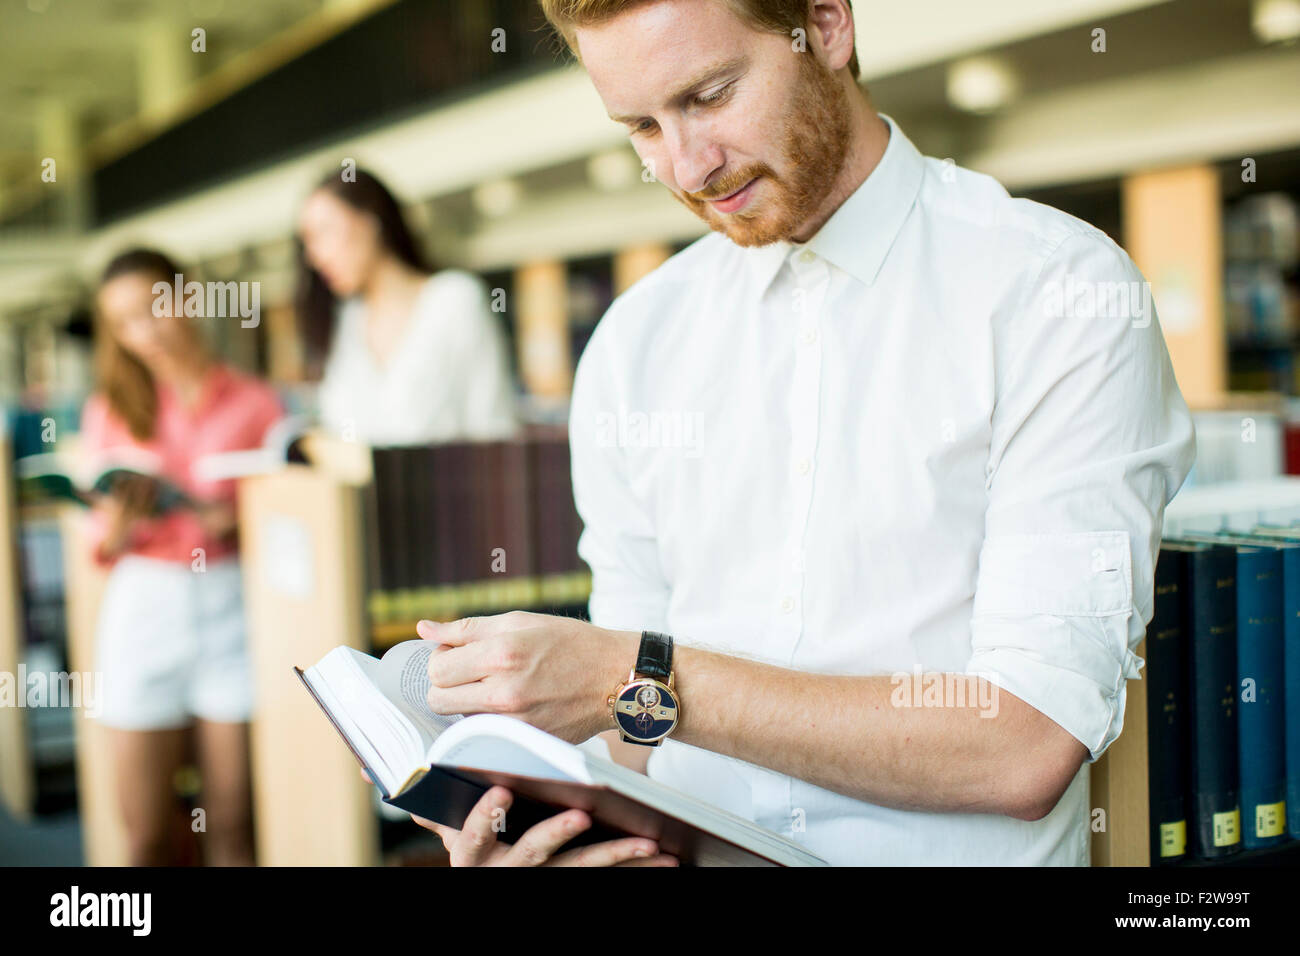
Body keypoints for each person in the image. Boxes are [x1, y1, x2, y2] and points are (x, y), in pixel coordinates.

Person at [406, 0, 1196, 866]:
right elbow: (626, 740)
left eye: (710, 95)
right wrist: (543, 824)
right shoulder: (636, 344)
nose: (687, 166)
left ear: (826, 25)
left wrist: (635, 676)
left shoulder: (1057, 296)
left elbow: (1026, 743)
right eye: (640, 125)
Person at [83, 248, 285, 865]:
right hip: (145, 610)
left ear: (187, 296)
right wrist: (118, 524)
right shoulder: (112, 410)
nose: (145, 331)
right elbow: (102, 547)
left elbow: (287, 528)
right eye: (125, 322)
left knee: (232, 825)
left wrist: (237, 521)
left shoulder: (257, 403)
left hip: (230, 610)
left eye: (155, 307)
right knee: (144, 834)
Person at [295, 168, 517, 446]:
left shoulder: (454, 300)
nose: (314, 256)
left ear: (370, 222)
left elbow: (494, 427)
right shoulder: (345, 323)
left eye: (324, 231)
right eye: (307, 241)